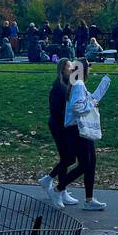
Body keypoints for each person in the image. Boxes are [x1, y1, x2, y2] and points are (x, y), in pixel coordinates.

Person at [52, 59, 106, 211]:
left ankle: (89, 199)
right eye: (88, 67)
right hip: (77, 129)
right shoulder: (79, 85)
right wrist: (92, 104)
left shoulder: (75, 84)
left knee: (90, 163)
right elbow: (77, 107)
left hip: (77, 129)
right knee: (85, 165)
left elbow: (78, 103)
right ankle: (58, 189)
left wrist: (92, 99)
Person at [38, 60, 80, 206]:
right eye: (69, 67)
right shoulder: (58, 87)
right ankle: (55, 185)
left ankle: (54, 184)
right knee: (68, 158)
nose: (72, 69)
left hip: (65, 125)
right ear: (62, 70)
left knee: (68, 158)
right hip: (59, 126)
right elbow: (56, 110)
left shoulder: (68, 85)